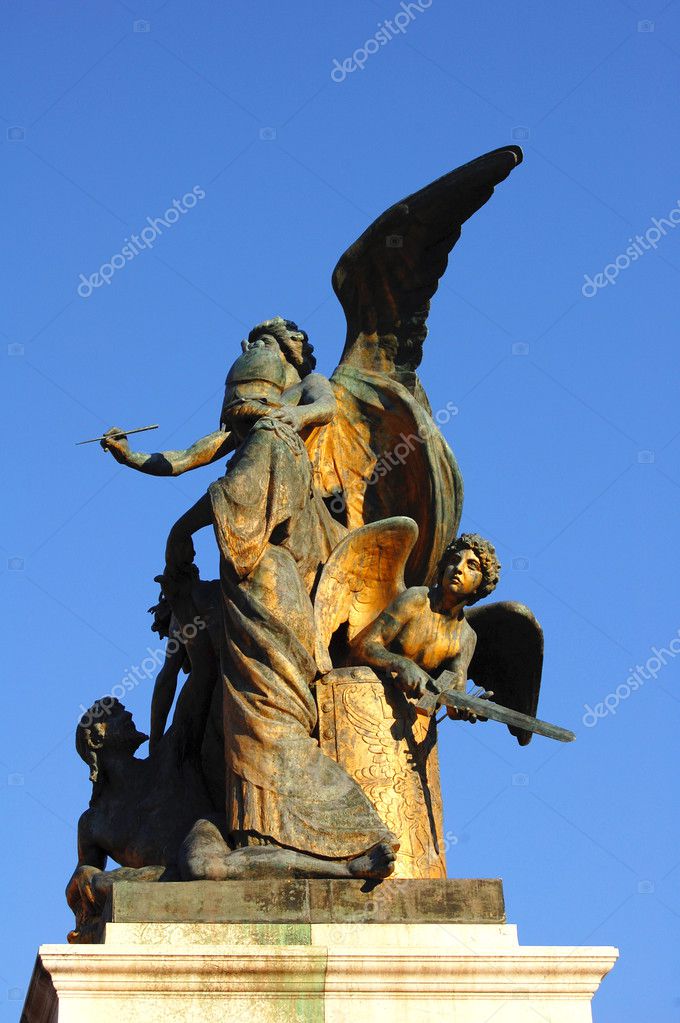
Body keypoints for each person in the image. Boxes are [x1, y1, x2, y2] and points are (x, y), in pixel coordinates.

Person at [162, 341, 399, 874]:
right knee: (267, 714)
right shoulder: (280, 441)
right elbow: (197, 461)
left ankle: (348, 831)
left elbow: (234, 495)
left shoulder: (270, 438)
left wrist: (179, 531)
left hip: (262, 589)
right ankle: (271, 838)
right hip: (271, 589)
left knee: (266, 717)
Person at [99, 317, 335, 476]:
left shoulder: (309, 383)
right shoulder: (245, 418)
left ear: (289, 350)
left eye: (265, 342)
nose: (255, 348)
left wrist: (299, 414)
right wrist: (129, 456)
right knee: (185, 525)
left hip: (298, 480)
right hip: (251, 483)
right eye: (253, 345)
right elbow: (186, 458)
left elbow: (327, 405)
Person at [350, 533, 500, 713]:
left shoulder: (466, 637)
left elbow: (453, 699)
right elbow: (363, 646)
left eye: (471, 566)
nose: (458, 568)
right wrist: (402, 664)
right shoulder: (417, 599)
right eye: (454, 560)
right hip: (364, 696)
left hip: (406, 717)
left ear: (481, 584)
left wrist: (468, 706)